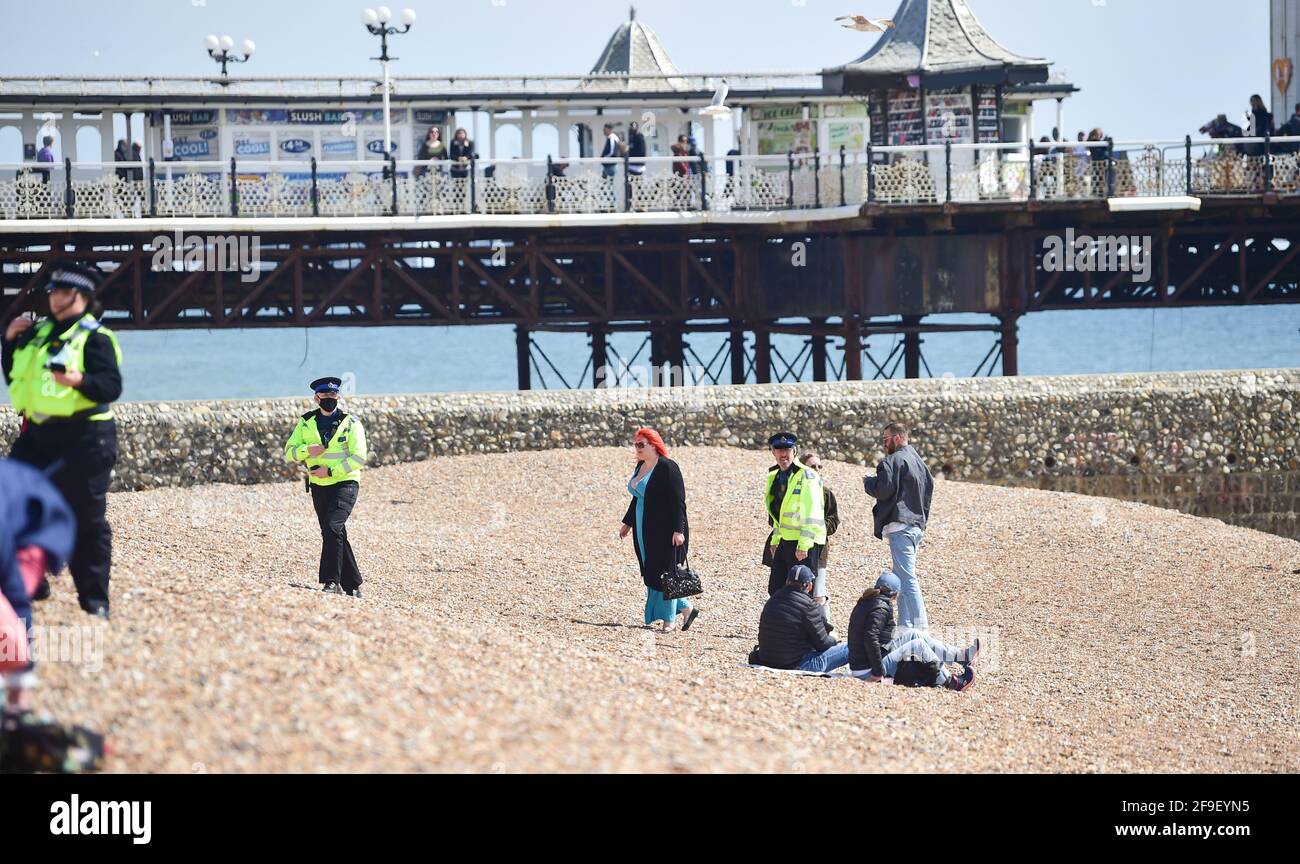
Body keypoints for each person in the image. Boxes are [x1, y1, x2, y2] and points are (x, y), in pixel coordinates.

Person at [2, 263, 123, 619]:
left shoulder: (95, 338)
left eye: (63, 293)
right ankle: (29, 581)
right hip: (38, 436)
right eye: (52, 292)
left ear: (82, 298)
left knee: (86, 520)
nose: (55, 299)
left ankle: (94, 600)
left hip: (86, 437)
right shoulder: (37, 333)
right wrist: (8, 341)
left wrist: (79, 380)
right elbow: (16, 376)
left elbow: (111, 386)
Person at [1, 459, 76, 718]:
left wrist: (20, 689)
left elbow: (16, 600)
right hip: (27, 498)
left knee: (10, 614)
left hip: (40, 518)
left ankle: (17, 698)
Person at [283, 377, 369, 598]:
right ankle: (353, 585)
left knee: (332, 527)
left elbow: (359, 458)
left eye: (333, 396)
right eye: (325, 396)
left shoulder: (351, 423)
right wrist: (306, 451)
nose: (329, 399)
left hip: (345, 483)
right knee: (334, 532)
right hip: (319, 486)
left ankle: (332, 582)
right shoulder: (305, 422)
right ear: (316, 398)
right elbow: (289, 452)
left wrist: (331, 471)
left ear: (338, 397)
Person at [620, 428, 698, 631]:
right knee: (651, 571)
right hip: (644, 528)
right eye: (635, 444)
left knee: (665, 570)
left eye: (640, 445)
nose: (636, 449)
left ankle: (669, 620)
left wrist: (678, 530)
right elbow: (637, 496)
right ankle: (687, 608)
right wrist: (628, 523)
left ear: (653, 445)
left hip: (666, 530)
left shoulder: (668, 467)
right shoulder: (640, 466)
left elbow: (678, 501)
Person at [847, 573, 977, 691]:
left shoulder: (868, 602)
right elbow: (870, 638)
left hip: (871, 660)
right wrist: (877, 673)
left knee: (915, 633)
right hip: (868, 671)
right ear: (894, 594)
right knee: (918, 645)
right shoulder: (880, 608)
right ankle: (952, 683)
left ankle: (961, 656)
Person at [863, 422, 933, 631]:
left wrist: (869, 483)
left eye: (886, 440)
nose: (884, 444)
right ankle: (905, 626)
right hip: (916, 525)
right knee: (902, 576)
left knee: (907, 577)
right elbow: (929, 491)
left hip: (900, 525)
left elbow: (884, 490)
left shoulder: (893, 461)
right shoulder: (921, 463)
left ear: (897, 437)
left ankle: (920, 628)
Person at [763, 432, 826, 596]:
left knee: (802, 593)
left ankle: (804, 622)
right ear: (773, 452)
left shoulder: (807, 475)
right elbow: (779, 513)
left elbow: (812, 512)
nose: (783, 454)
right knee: (775, 589)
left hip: (804, 543)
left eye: (787, 450)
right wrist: (775, 539)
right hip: (785, 540)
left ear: (794, 451)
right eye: (779, 450)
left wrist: (804, 544)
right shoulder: (774, 476)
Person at [754, 565, 848, 672]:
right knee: (850, 648)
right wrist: (834, 639)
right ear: (809, 586)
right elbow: (823, 644)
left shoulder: (772, 600)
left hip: (767, 660)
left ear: (787, 581)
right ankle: (866, 675)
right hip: (797, 665)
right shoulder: (808, 605)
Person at [800, 451, 839, 628]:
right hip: (798, 549)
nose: (816, 469)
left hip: (820, 551)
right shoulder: (795, 491)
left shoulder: (826, 494)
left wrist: (818, 527)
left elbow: (833, 521)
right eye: (812, 466)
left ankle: (825, 628)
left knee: (819, 592)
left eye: (819, 466)